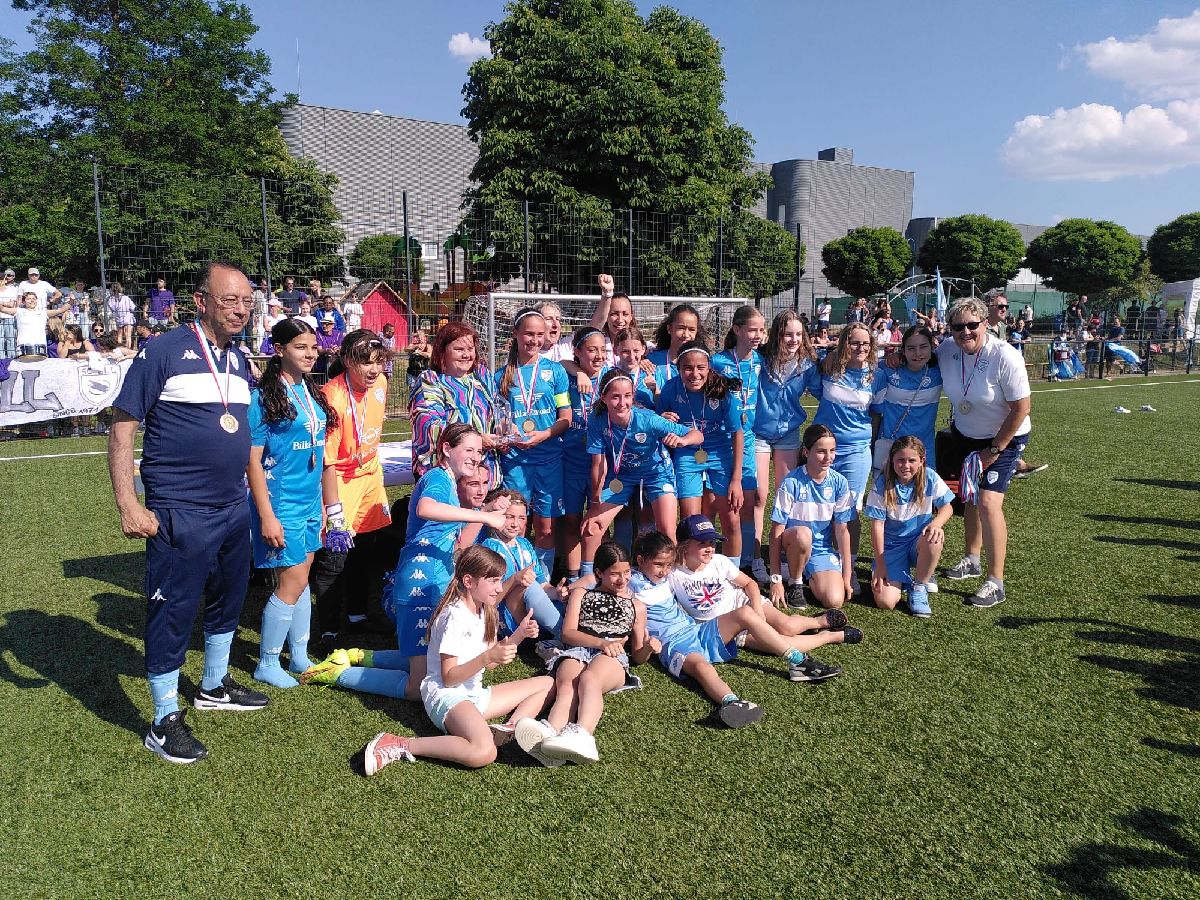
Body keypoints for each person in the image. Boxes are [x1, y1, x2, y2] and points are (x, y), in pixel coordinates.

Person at [108, 260, 268, 764]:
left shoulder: (239, 359)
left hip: (231, 505)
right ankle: (162, 718)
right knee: (173, 609)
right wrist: (128, 501)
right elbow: (122, 427)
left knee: (228, 598)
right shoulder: (164, 350)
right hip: (180, 509)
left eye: (247, 301)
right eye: (229, 300)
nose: (241, 310)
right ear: (201, 302)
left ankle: (214, 685)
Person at [304, 424, 509, 700]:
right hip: (418, 586)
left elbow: (459, 542)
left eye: (479, 451)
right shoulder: (437, 477)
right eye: (469, 450)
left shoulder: (448, 483)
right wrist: (484, 517)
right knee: (417, 687)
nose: (475, 457)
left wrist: (485, 509)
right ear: (446, 449)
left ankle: (357, 656)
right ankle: (339, 673)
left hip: (436, 580)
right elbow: (426, 507)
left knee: (430, 659)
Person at [360, 546, 554, 775]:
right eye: (493, 581)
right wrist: (487, 656)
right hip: (445, 695)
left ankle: (510, 728)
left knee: (547, 683)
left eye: (500, 580)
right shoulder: (454, 616)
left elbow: (490, 663)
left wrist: (519, 635)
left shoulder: (484, 610)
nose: (500, 588)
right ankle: (401, 743)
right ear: (469, 581)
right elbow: (449, 678)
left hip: (474, 695)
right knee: (484, 752)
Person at [244, 318, 336, 687]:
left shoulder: (311, 392)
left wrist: (327, 507)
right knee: (291, 583)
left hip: (309, 501)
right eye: (300, 347)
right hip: (280, 503)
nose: (310, 353)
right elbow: (252, 461)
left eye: (313, 347)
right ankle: (266, 663)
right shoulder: (262, 398)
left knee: (302, 580)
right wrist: (267, 515)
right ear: (279, 350)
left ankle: (298, 654)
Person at [515, 541, 653, 766]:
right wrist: (600, 642)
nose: (623, 579)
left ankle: (582, 735)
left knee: (589, 679)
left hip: (613, 657)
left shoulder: (637, 607)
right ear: (599, 572)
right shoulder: (581, 594)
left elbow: (638, 656)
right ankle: (551, 734)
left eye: (627, 572)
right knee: (567, 684)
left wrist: (648, 647)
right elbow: (568, 633)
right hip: (579, 649)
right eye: (615, 574)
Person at [670, 515, 854, 681]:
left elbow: (749, 584)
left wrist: (757, 608)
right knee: (782, 642)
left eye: (712, 542)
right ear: (684, 546)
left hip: (745, 602)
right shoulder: (673, 575)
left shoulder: (719, 561)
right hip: (728, 628)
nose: (710, 548)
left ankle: (818, 621)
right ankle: (830, 636)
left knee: (787, 626)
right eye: (702, 543)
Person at [935, 297, 1032, 609]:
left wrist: (993, 450)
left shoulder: (1005, 355)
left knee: (989, 502)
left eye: (972, 325)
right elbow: (920, 357)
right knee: (970, 497)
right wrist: (896, 358)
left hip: (1004, 435)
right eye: (958, 326)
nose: (965, 332)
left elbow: (1021, 409)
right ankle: (972, 559)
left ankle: (995, 581)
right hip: (965, 433)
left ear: (985, 323)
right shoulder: (947, 349)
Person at [309, 329, 393, 653]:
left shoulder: (382, 384)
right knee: (334, 558)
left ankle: (358, 616)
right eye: (365, 363)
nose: (373, 370)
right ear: (346, 361)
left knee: (365, 550)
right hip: (340, 480)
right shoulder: (331, 396)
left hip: (370, 476)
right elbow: (328, 462)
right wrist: (334, 512)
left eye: (378, 362)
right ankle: (328, 630)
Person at [581, 368, 702, 575]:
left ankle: (674, 580)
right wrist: (594, 505)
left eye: (627, 396)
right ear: (603, 397)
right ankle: (589, 581)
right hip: (622, 476)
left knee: (666, 530)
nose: (622, 403)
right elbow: (598, 465)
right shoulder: (597, 419)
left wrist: (683, 440)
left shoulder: (648, 419)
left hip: (657, 474)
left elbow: (697, 435)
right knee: (591, 528)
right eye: (615, 397)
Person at [492, 308, 572, 576]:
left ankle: (542, 580)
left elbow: (566, 418)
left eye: (540, 334)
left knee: (546, 527)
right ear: (515, 334)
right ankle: (513, 577)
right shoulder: (501, 376)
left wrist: (545, 434)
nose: (535, 340)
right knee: (513, 524)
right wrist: (506, 429)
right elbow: (496, 419)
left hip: (549, 460)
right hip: (516, 462)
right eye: (528, 333)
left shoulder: (555, 372)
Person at [800, 322, 877, 594]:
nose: (861, 348)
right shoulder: (828, 366)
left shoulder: (876, 375)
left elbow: (876, 414)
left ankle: (849, 565)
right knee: (814, 503)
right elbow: (806, 356)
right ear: (844, 343)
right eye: (855, 342)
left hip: (856, 450)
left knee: (849, 510)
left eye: (866, 344)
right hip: (824, 446)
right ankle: (811, 557)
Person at [656, 341, 744, 560]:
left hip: (719, 453)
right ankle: (691, 572)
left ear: (708, 368)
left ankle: (733, 574)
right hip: (687, 454)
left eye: (700, 368)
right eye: (687, 368)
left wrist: (736, 479)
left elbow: (737, 433)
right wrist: (663, 418)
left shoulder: (721, 390)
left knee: (731, 517)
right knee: (691, 520)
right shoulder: (670, 388)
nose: (694, 374)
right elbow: (657, 422)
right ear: (678, 369)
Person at [753, 311, 818, 578]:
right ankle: (755, 554)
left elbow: (826, 389)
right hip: (758, 432)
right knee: (758, 494)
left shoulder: (807, 365)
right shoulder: (760, 359)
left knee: (787, 495)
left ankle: (782, 548)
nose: (794, 339)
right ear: (777, 334)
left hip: (789, 433)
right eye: (788, 333)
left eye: (799, 334)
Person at [768, 425, 856, 611]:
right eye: (821, 451)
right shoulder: (791, 482)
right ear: (806, 452)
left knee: (834, 601)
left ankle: (813, 573)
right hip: (793, 544)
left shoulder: (840, 482)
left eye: (832, 451)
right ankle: (795, 583)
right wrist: (775, 579)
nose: (828, 457)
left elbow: (842, 531)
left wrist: (846, 577)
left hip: (821, 551)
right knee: (803, 534)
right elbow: (776, 533)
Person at [865, 436, 954, 618]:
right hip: (892, 548)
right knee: (885, 602)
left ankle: (919, 586)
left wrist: (936, 523)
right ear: (892, 460)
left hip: (917, 542)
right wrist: (881, 564)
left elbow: (947, 507)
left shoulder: (929, 476)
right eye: (900, 460)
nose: (905, 465)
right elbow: (877, 527)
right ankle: (903, 574)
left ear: (921, 461)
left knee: (935, 537)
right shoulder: (882, 484)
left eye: (912, 460)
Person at [409, 321, 503, 485]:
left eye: (470, 349)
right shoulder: (431, 380)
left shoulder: (483, 376)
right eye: (459, 349)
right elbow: (431, 427)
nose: (466, 355)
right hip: (446, 476)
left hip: (484, 475)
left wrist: (506, 431)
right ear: (442, 351)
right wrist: (477, 440)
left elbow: (496, 412)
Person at [713, 306, 766, 579]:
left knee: (748, 499)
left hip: (747, 440)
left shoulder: (760, 361)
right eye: (752, 329)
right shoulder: (717, 362)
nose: (758, 335)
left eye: (761, 330)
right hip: (720, 440)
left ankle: (748, 560)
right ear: (737, 329)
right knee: (718, 503)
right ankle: (711, 557)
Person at [480, 488, 566, 638]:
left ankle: (565, 636)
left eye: (521, 518)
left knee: (577, 591)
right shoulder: (489, 547)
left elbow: (542, 585)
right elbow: (488, 601)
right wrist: (515, 580)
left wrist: (557, 593)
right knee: (528, 586)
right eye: (509, 517)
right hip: (503, 617)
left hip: (530, 611)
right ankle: (566, 638)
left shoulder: (524, 543)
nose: (515, 524)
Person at [561, 327, 609, 580]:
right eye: (592, 350)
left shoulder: (610, 378)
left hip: (602, 463)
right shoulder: (565, 377)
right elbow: (558, 361)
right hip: (571, 462)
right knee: (571, 521)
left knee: (598, 521)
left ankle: (594, 576)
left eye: (603, 350)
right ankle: (571, 577)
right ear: (577, 351)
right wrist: (578, 372)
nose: (599, 355)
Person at [870, 324, 942, 477]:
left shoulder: (941, 370)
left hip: (924, 448)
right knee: (886, 498)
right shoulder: (887, 368)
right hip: (891, 446)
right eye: (911, 348)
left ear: (932, 346)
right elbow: (859, 364)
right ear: (903, 350)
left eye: (923, 347)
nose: (917, 353)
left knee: (922, 498)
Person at [649, 303, 708, 388]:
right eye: (681, 328)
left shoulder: (703, 362)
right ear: (669, 329)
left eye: (691, 330)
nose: (686, 335)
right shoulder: (652, 360)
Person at [15, 291, 67, 356]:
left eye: (33, 299)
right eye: (28, 299)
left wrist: (71, 301)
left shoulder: (43, 312)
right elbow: (3, 309)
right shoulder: (19, 311)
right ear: (23, 301)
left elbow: (61, 310)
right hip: (23, 349)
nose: (32, 301)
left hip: (40, 350)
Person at [107, 282, 137, 349]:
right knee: (128, 335)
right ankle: (128, 349)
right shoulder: (126, 297)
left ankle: (120, 349)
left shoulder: (111, 299)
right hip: (128, 318)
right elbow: (133, 307)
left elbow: (112, 309)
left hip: (118, 318)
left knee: (119, 335)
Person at [405, 328, 431, 395]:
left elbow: (429, 355)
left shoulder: (428, 346)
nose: (419, 338)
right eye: (417, 336)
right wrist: (416, 346)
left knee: (423, 392)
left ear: (425, 337)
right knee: (412, 391)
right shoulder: (413, 345)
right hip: (412, 372)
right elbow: (406, 349)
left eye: (421, 336)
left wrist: (420, 353)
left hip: (423, 373)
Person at [0, 268, 19, 359]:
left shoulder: (14, 289)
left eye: (10, 275)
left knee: (10, 339)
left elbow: (13, 304)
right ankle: (1, 359)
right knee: (0, 340)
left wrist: (2, 304)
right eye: (6, 275)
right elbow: (10, 303)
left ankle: (11, 359)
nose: (7, 277)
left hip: (9, 317)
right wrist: (6, 304)